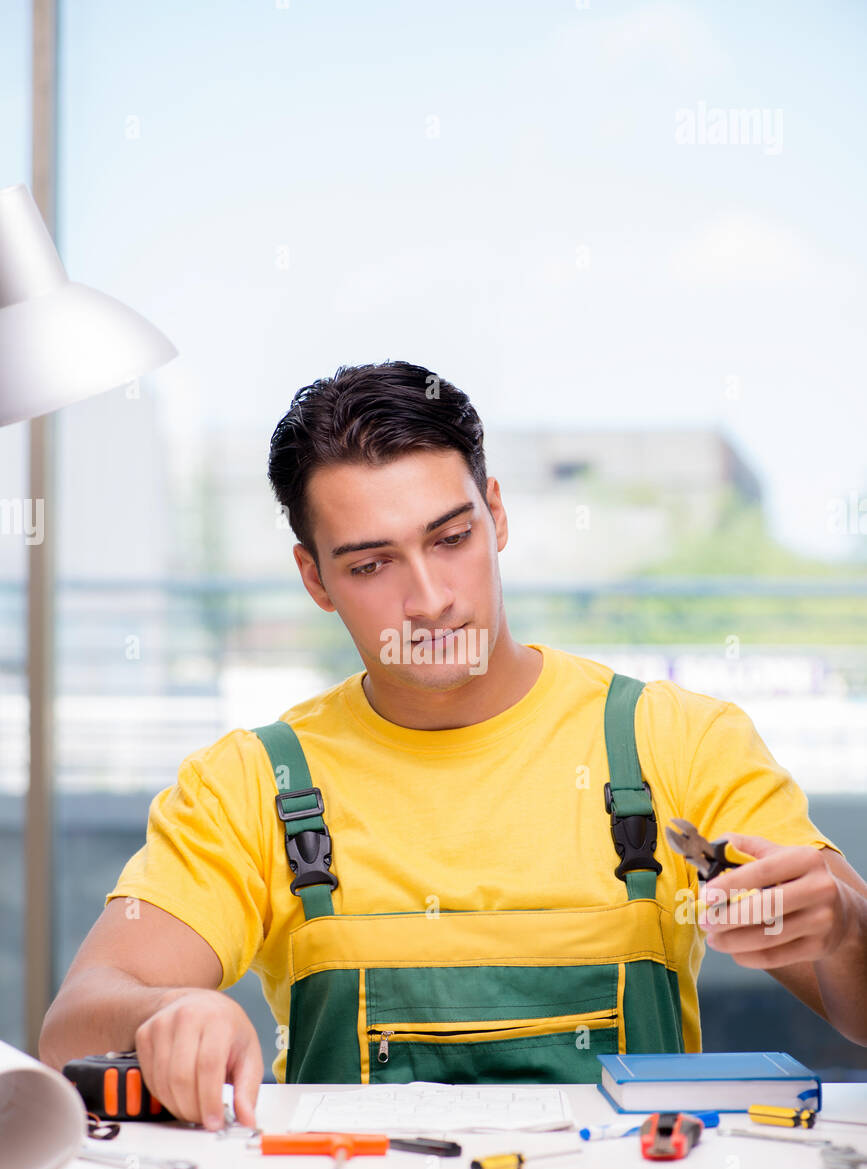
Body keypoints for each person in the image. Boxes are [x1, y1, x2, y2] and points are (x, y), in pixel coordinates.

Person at [39, 361, 867, 1129]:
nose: (430, 599)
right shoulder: (251, 783)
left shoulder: (677, 742)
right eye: (370, 566)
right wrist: (162, 1015)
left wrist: (843, 927)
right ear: (314, 579)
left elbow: (858, 1012)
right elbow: (71, 1025)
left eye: (450, 538)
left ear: (496, 513)